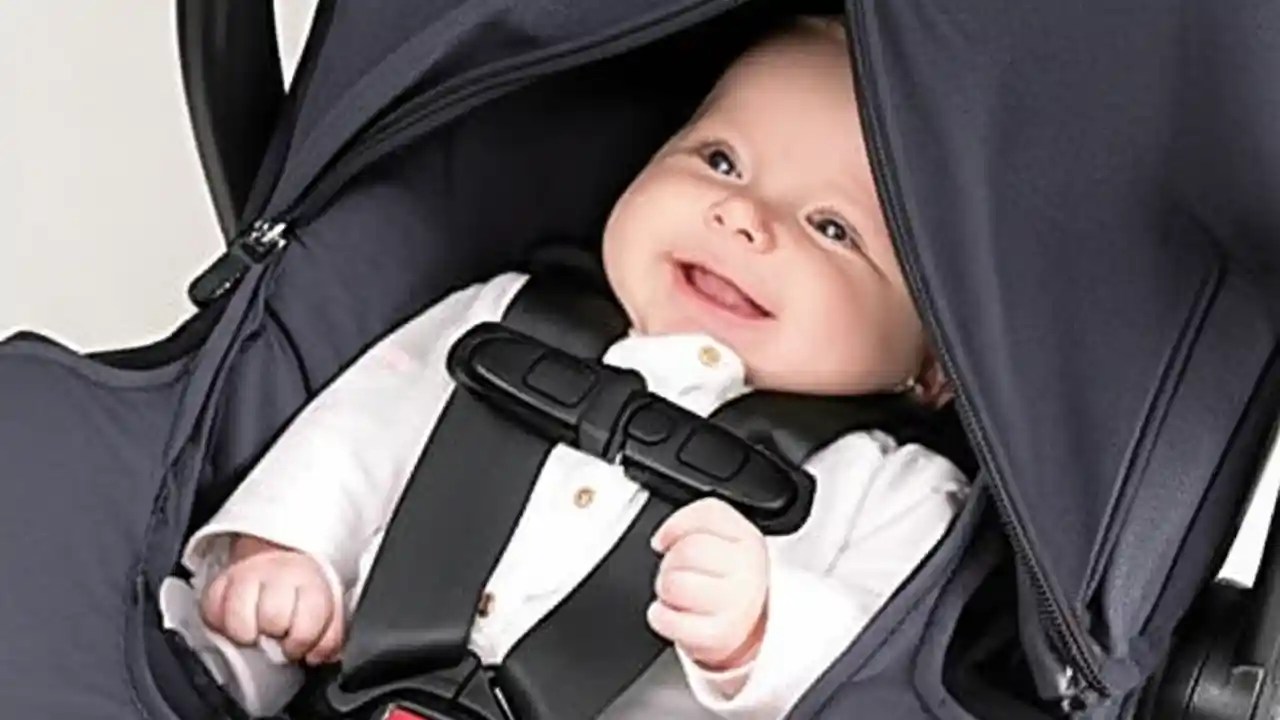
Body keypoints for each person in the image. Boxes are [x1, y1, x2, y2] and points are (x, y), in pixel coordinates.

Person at [159, 16, 969, 719]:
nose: (744, 217)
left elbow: (883, 678)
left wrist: (763, 630)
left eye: (833, 229)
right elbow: (358, 437)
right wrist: (286, 548)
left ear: (937, 363)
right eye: (720, 161)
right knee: (229, 624)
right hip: (348, 682)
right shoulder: (504, 321)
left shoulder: (894, 491)